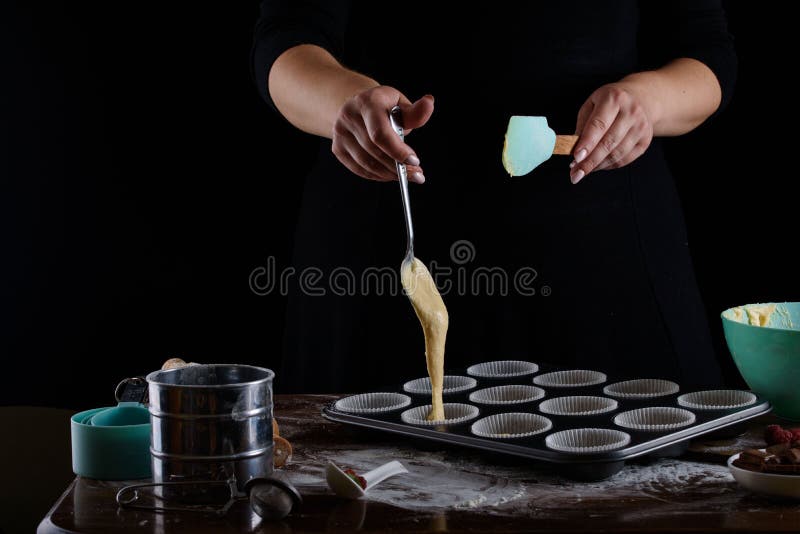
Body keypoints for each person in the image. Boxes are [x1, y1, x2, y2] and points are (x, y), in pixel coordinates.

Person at [252, 1, 736, 393]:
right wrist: (345, 103)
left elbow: (707, 53)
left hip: (602, 259)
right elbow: (286, 41)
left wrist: (646, 102)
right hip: (388, 240)